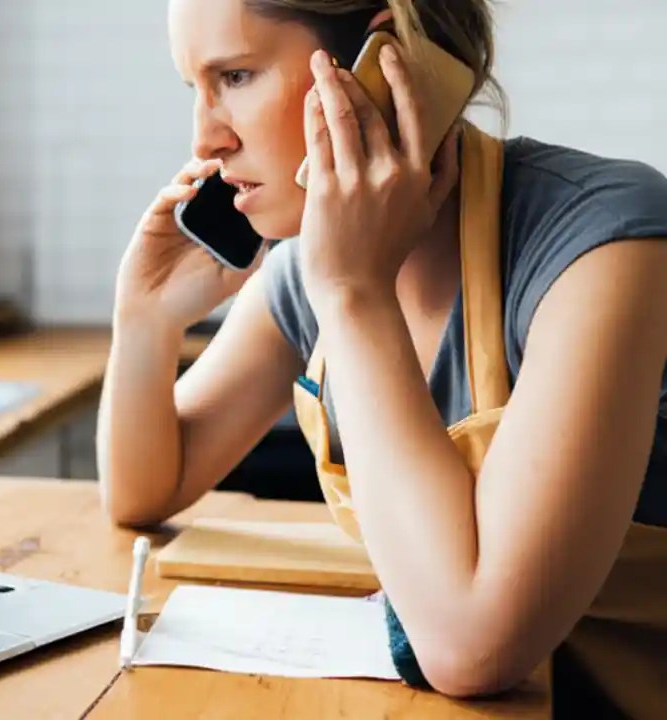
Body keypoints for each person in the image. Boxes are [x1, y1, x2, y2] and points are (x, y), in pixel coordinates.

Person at [97, 1, 667, 716]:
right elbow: (147, 488)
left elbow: (473, 647)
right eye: (196, 88)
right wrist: (144, 318)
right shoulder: (308, 268)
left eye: (236, 76)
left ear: (377, 65)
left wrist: (355, 293)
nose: (205, 139)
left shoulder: (605, 238)